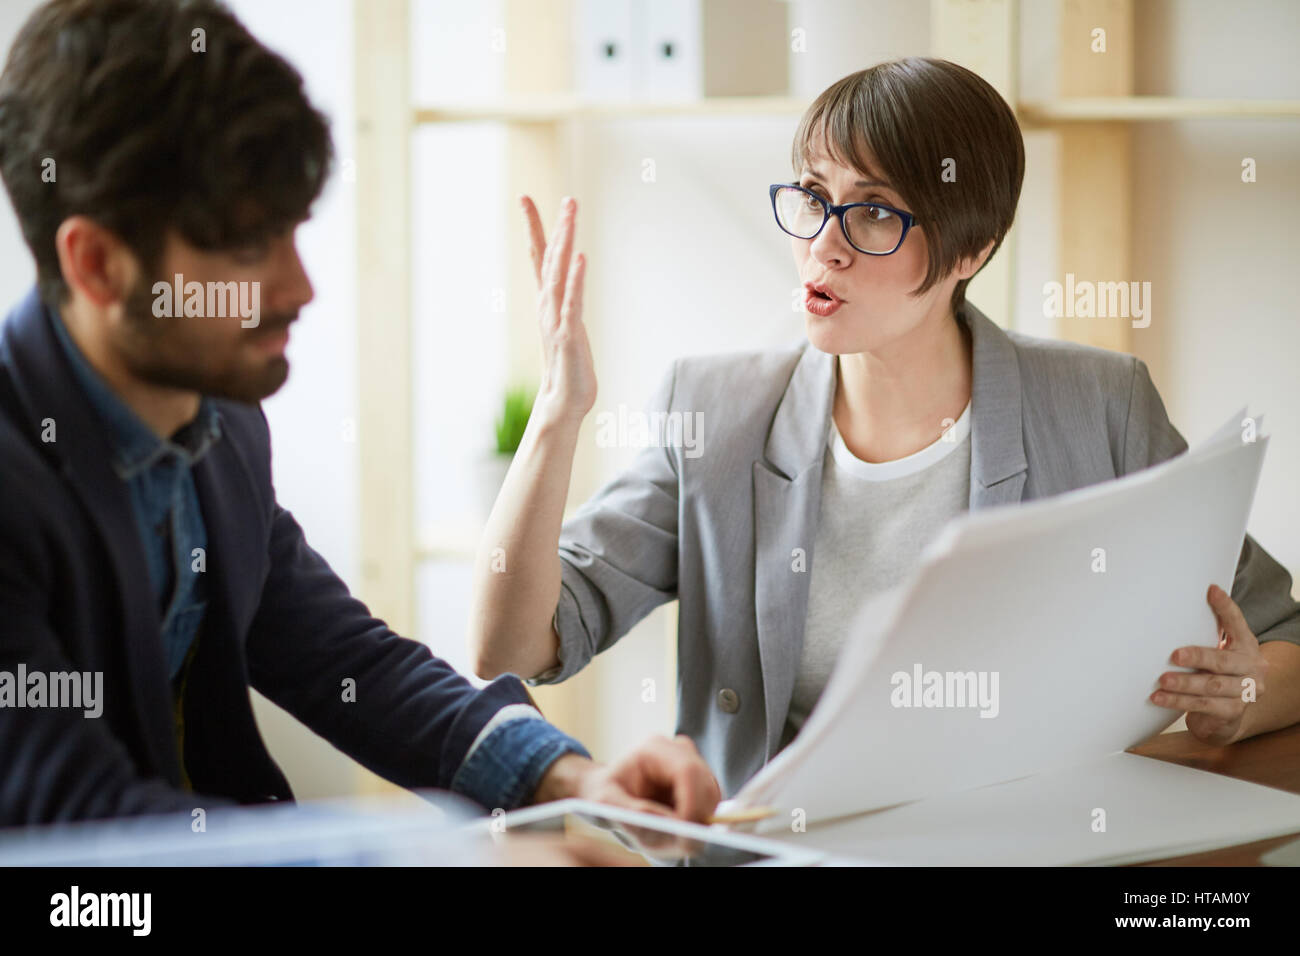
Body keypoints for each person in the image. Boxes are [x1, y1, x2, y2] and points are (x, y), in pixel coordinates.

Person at [469, 57, 1300, 799]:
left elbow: (1282, 634)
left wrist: (1241, 698)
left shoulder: (1098, 407)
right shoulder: (716, 414)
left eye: (874, 214)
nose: (825, 246)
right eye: (815, 197)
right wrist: (557, 412)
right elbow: (508, 648)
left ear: (970, 249)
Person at [0, 0, 720, 833]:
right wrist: (424, 858)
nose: (300, 288)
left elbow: (346, 662)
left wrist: (565, 776)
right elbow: (80, 824)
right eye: (246, 249)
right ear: (96, 263)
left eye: (293, 232)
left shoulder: (221, 424)